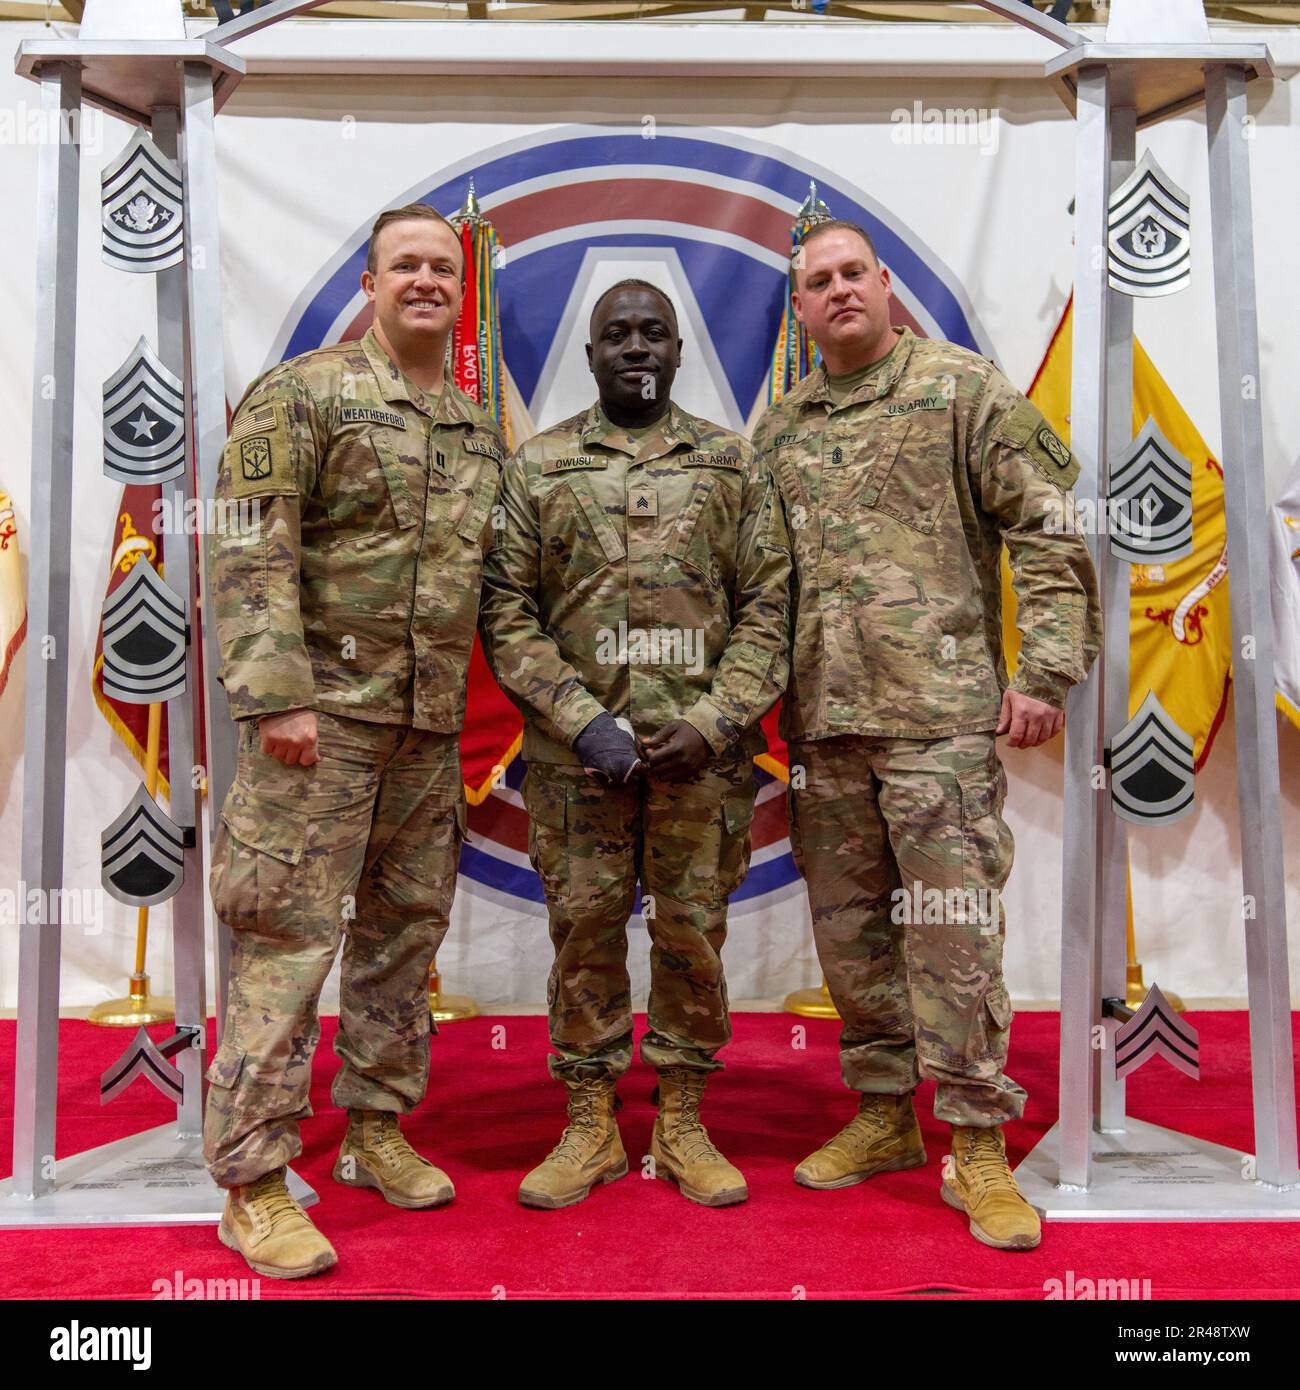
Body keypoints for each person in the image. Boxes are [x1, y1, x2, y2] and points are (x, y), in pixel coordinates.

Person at [752, 221, 1101, 1251]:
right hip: (821, 726)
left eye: (852, 272)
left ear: (884, 282)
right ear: (801, 310)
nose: (838, 291)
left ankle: (978, 1143)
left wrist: (1044, 670)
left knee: (952, 934)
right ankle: (882, 1114)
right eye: (817, 282)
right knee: (851, 935)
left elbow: (1045, 530)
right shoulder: (780, 429)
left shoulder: (964, 391)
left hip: (938, 723)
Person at [204, 204, 505, 1278]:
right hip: (317, 725)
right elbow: (249, 547)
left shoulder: (471, 426)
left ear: (460, 289)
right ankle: (251, 1180)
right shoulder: (305, 393)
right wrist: (277, 696)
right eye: (405, 266)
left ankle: (376, 1128)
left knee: (402, 936)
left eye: (441, 267)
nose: (426, 280)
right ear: (371, 283)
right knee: (285, 941)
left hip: (425, 730)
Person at [479, 280, 791, 1210]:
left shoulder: (734, 465)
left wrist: (716, 719)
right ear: (589, 355)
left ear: (680, 350)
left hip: (704, 762)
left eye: (654, 332)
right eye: (616, 334)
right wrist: (581, 720)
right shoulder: (538, 466)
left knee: (692, 936)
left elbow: (772, 607)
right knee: (583, 937)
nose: (636, 348)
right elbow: (504, 610)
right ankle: (590, 1123)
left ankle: (685, 1120)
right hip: (581, 767)